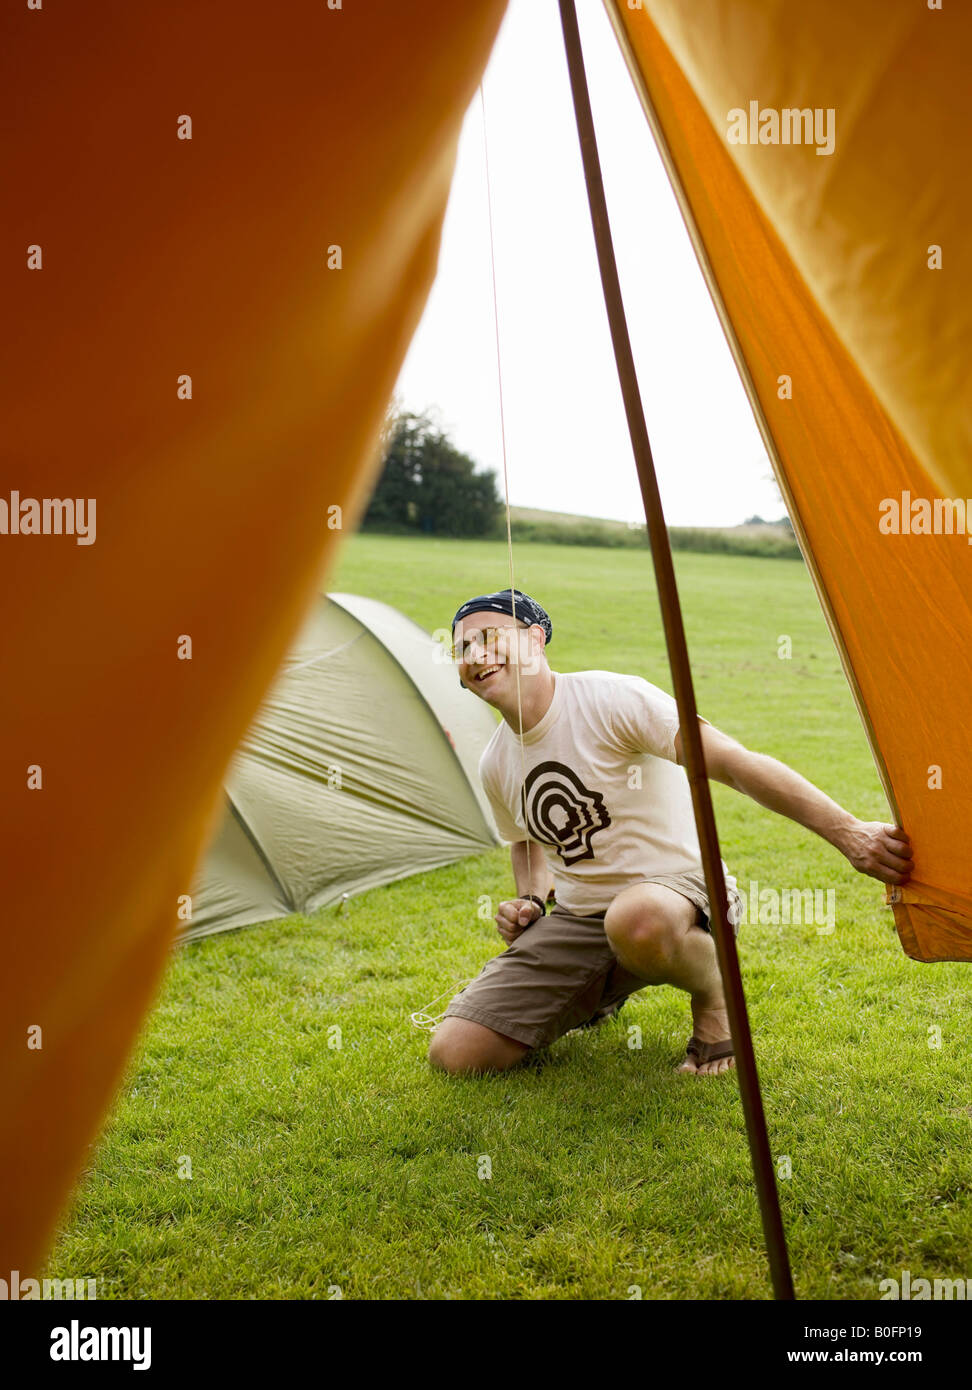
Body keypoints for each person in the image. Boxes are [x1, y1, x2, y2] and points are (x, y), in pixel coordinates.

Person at [428, 587, 914, 1078]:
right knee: (458, 1054)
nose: (475, 655)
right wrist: (531, 899)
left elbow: (735, 764)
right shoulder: (496, 761)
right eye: (462, 648)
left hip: (681, 895)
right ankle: (601, 990)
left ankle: (715, 997)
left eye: (489, 637)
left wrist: (849, 833)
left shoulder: (611, 699)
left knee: (636, 919)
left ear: (535, 640)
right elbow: (526, 840)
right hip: (580, 918)